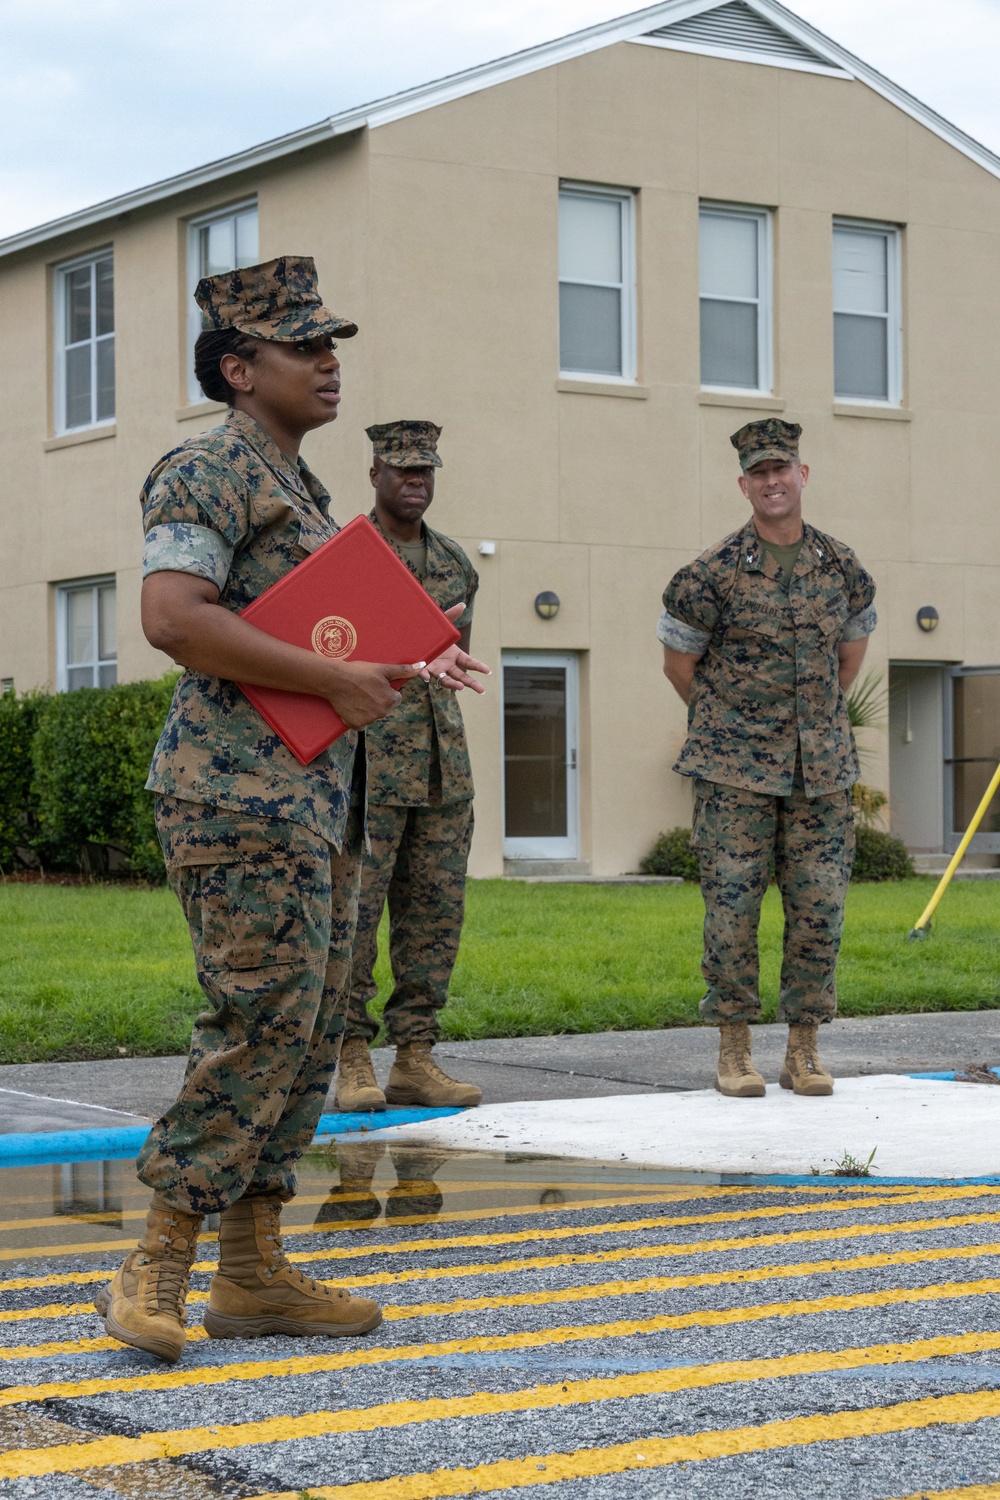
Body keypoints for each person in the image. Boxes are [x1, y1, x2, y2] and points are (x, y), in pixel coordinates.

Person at [95, 257, 479, 1364]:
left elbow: (317, 640)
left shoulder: (300, 491)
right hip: (234, 796)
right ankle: (156, 1256)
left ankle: (254, 1272)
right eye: (304, 345)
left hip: (314, 799)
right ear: (235, 366)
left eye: (332, 343)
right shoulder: (206, 469)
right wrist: (330, 682)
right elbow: (174, 617)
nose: (328, 361)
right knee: (259, 1020)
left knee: (311, 1033)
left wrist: (408, 655)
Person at [658, 419, 876, 1099]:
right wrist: (737, 728)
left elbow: (848, 655)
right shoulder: (710, 573)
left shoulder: (841, 567)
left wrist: (806, 725)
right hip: (734, 774)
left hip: (822, 775)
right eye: (759, 473)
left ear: (802, 476)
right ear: (743, 485)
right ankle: (734, 1049)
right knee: (732, 908)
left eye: (783, 469)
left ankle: (803, 1051)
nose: (773, 481)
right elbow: (678, 665)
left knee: (819, 909)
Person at [335, 420, 485, 1112]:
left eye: (425, 470)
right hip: (365, 768)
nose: (415, 481)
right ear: (374, 476)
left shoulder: (456, 563)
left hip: (440, 769)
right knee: (354, 919)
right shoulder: (346, 556)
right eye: (401, 470)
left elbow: (451, 665)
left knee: (433, 920)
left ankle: (416, 1058)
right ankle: (350, 1057)